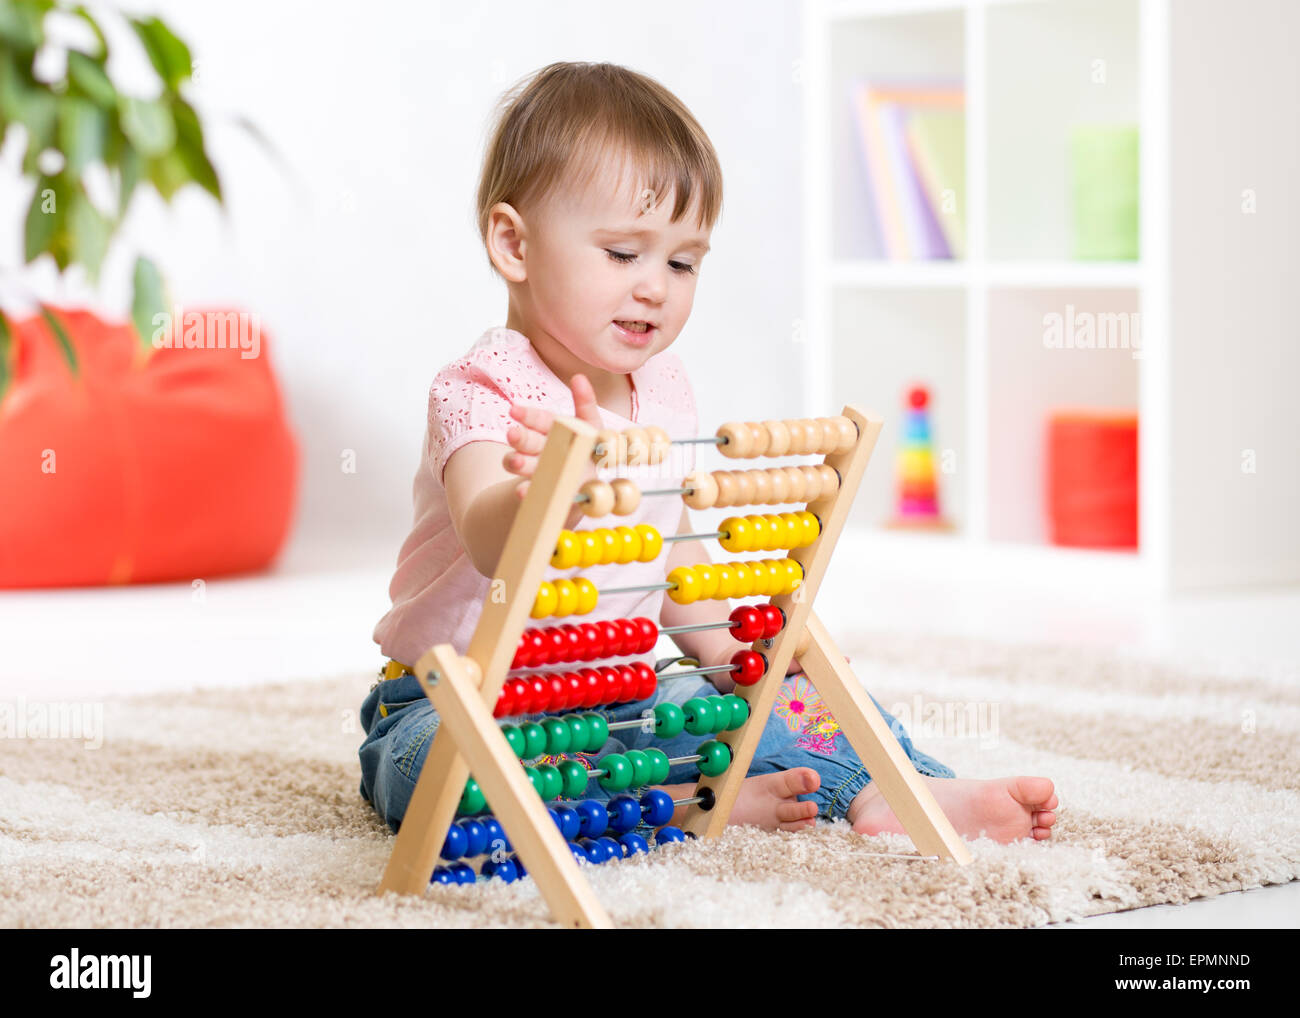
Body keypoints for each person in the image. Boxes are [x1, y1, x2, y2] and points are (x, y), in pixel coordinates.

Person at [358, 61, 1057, 854]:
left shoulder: (659, 390)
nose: (656, 286)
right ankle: (685, 801)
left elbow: (670, 559)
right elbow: (487, 531)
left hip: (617, 690)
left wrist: (736, 650)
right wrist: (551, 494)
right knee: (436, 778)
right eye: (624, 254)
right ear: (514, 244)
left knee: (783, 700)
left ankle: (899, 789)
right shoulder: (479, 389)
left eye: (683, 262)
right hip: (459, 701)